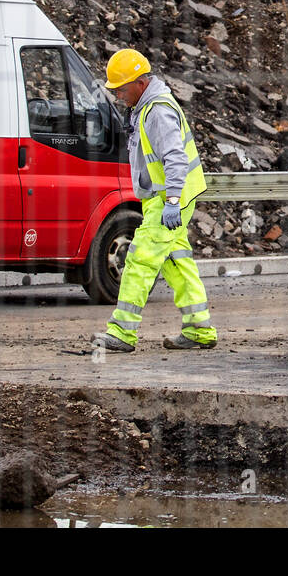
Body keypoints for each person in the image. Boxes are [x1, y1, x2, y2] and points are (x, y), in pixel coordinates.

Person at [91, 48, 217, 352]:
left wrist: (172, 200)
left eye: (121, 88)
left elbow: (175, 157)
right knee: (176, 261)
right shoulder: (145, 108)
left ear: (140, 83)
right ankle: (200, 329)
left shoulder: (157, 111)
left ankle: (122, 331)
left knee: (139, 258)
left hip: (170, 198)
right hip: (165, 197)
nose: (119, 95)